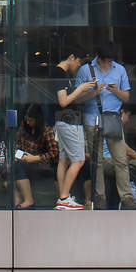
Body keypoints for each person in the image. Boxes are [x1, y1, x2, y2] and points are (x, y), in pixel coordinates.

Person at [79, 44, 136, 210]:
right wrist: (95, 92)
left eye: (109, 61)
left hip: (113, 119)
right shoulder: (86, 70)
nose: (106, 65)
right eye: (104, 61)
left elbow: (126, 97)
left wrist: (116, 91)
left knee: (121, 159)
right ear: (98, 58)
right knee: (96, 162)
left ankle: (126, 197)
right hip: (92, 119)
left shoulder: (119, 70)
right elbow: (78, 98)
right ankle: (99, 198)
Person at [51, 45, 97, 210]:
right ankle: (64, 198)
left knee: (63, 160)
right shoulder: (59, 73)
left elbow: (72, 99)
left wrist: (92, 92)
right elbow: (64, 101)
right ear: (71, 57)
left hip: (63, 121)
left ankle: (63, 197)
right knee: (79, 160)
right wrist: (81, 88)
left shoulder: (62, 75)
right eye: (78, 61)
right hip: (68, 122)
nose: (79, 65)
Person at [13, 104, 58, 209]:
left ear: (37, 119)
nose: (28, 123)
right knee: (7, 168)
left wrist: (35, 158)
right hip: (23, 160)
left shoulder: (47, 131)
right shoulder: (24, 127)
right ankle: (16, 199)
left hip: (40, 164)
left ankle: (29, 200)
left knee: (18, 167)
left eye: (31, 120)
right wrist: (17, 154)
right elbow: (18, 143)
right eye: (26, 120)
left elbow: (54, 153)